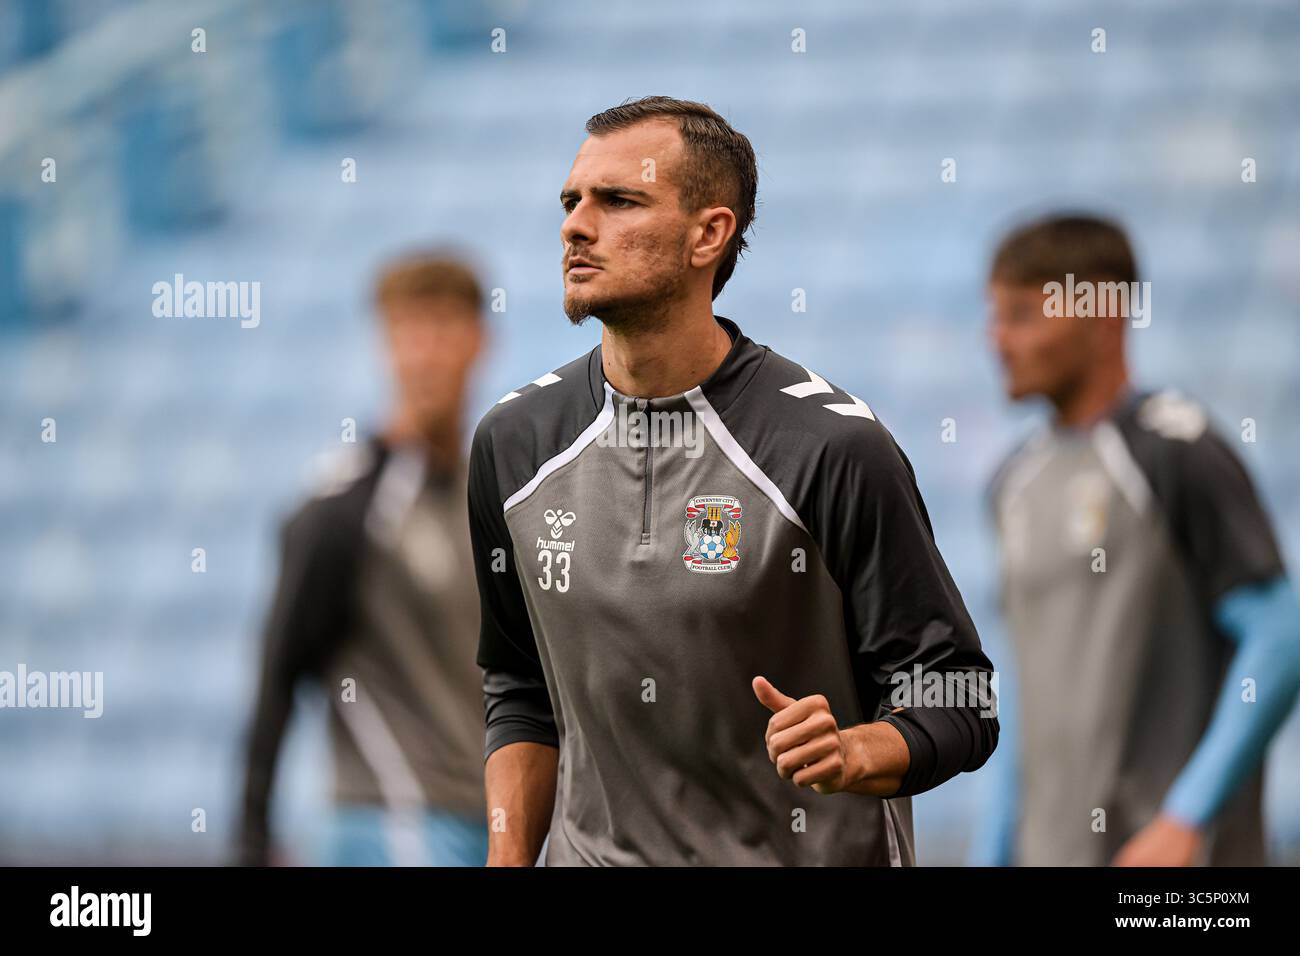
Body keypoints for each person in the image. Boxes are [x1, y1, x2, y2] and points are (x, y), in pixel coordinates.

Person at [468, 96, 998, 866]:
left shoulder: (831, 447)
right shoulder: (513, 446)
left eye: (618, 201)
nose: (576, 225)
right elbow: (520, 691)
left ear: (708, 234)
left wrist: (858, 751)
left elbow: (962, 699)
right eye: (571, 201)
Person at [984, 214, 1300, 866]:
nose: (999, 340)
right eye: (994, 316)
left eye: (1022, 315)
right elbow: (1029, 692)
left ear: (1103, 319)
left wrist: (1185, 818)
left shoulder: (1176, 452)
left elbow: (1281, 636)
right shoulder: (1013, 483)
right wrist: (990, 853)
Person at [236, 252, 490, 866]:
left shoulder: (495, 498)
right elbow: (279, 669)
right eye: (408, 332)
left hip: (490, 824)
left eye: (443, 328)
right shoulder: (343, 504)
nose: (426, 354)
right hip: (390, 821)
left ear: (479, 341)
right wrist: (251, 838)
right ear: (384, 346)